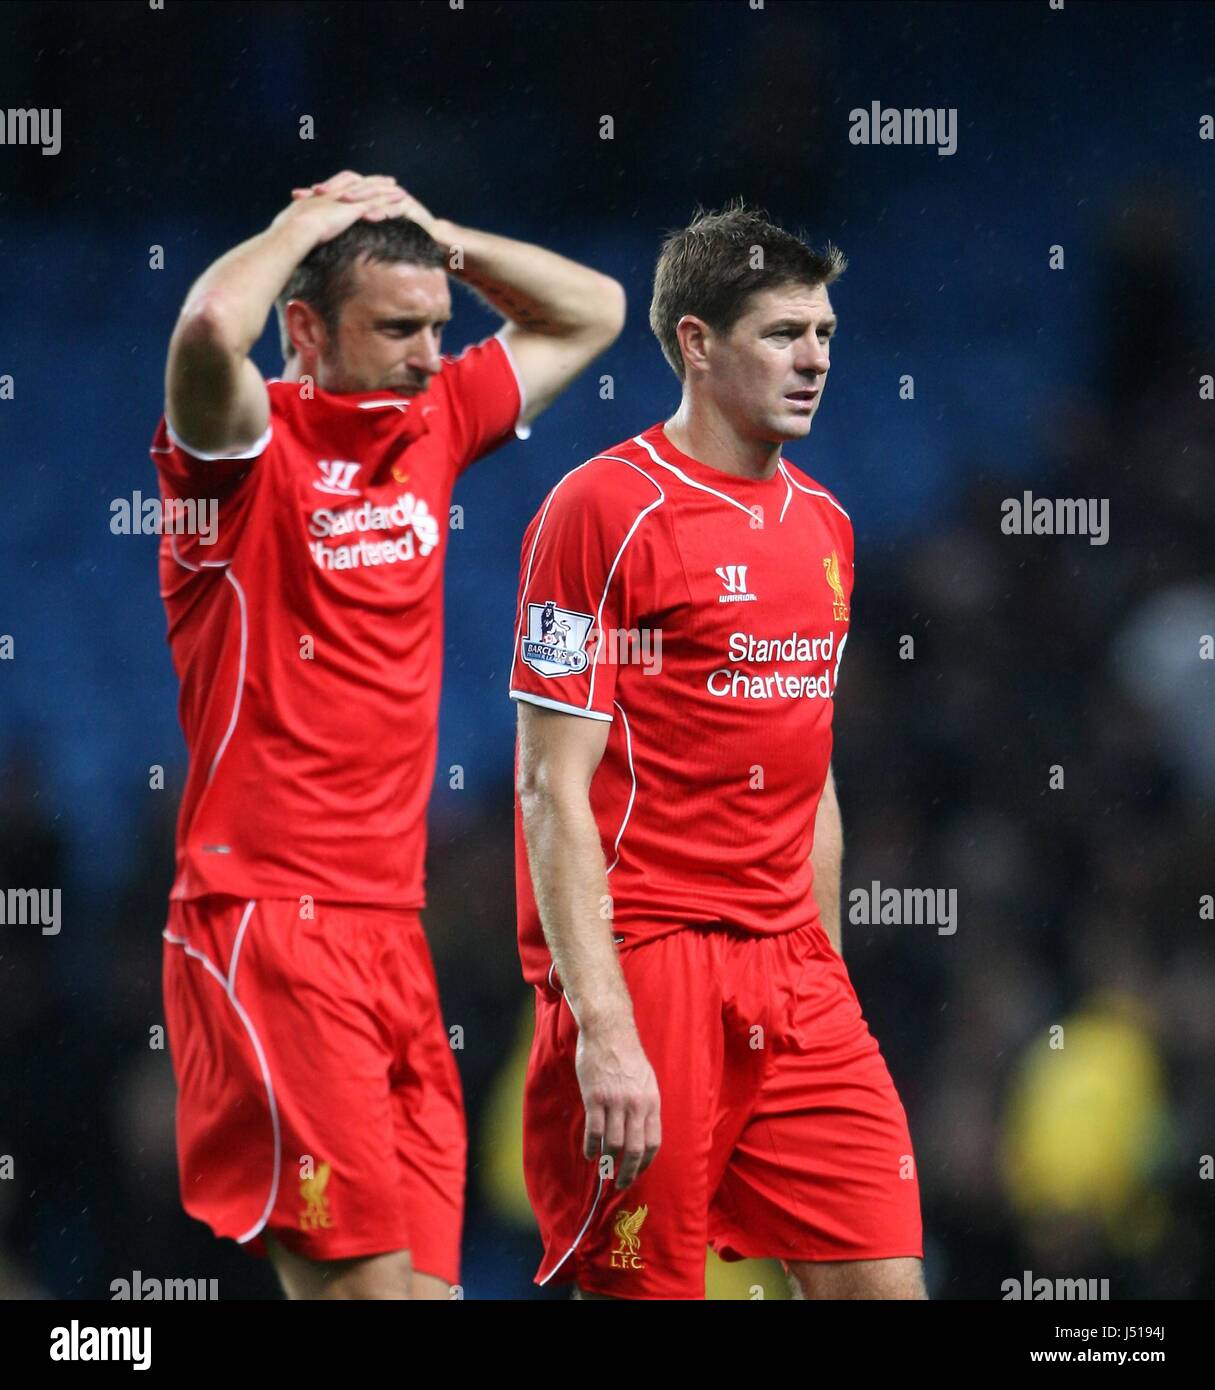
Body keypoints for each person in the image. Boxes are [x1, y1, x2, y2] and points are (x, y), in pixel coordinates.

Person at [152, 169, 625, 1300]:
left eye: (437, 327)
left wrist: (441, 239)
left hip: (389, 932)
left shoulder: (433, 420)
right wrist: (302, 225)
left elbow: (595, 309)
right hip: (267, 922)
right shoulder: (238, 453)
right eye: (397, 327)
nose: (427, 353)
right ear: (306, 329)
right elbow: (214, 323)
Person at [509, 203, 925, 1300]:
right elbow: (550, 785)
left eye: (827, 334)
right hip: (650, 958)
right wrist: (601, 1027)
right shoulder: (600, 511)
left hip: (795, 973)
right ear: (697, 342)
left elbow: (812, 777)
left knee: (886, 1286)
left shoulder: (826, 527)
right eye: (785, 332)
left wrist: (827, 973)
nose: (817, 359)